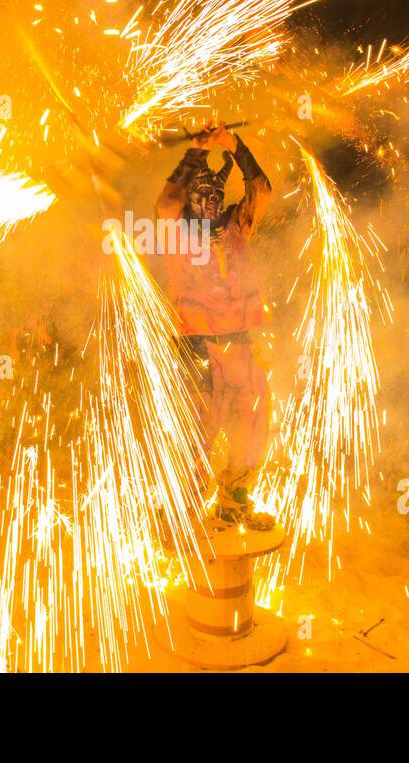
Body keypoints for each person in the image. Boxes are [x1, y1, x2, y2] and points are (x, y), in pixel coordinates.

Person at [157, 122, 274, 529]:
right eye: (200, 194)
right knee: (197, 432)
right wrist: (193, 154)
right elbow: (166, 202)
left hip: (240, 344)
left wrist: (235, 145)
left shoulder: (235, 226)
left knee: (254, 423)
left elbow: (261, 192)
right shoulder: (177, 230)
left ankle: (234, 503)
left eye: (215, 194)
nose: (209, 200)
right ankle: (181, 516)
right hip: (198, 347)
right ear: (192, 197)